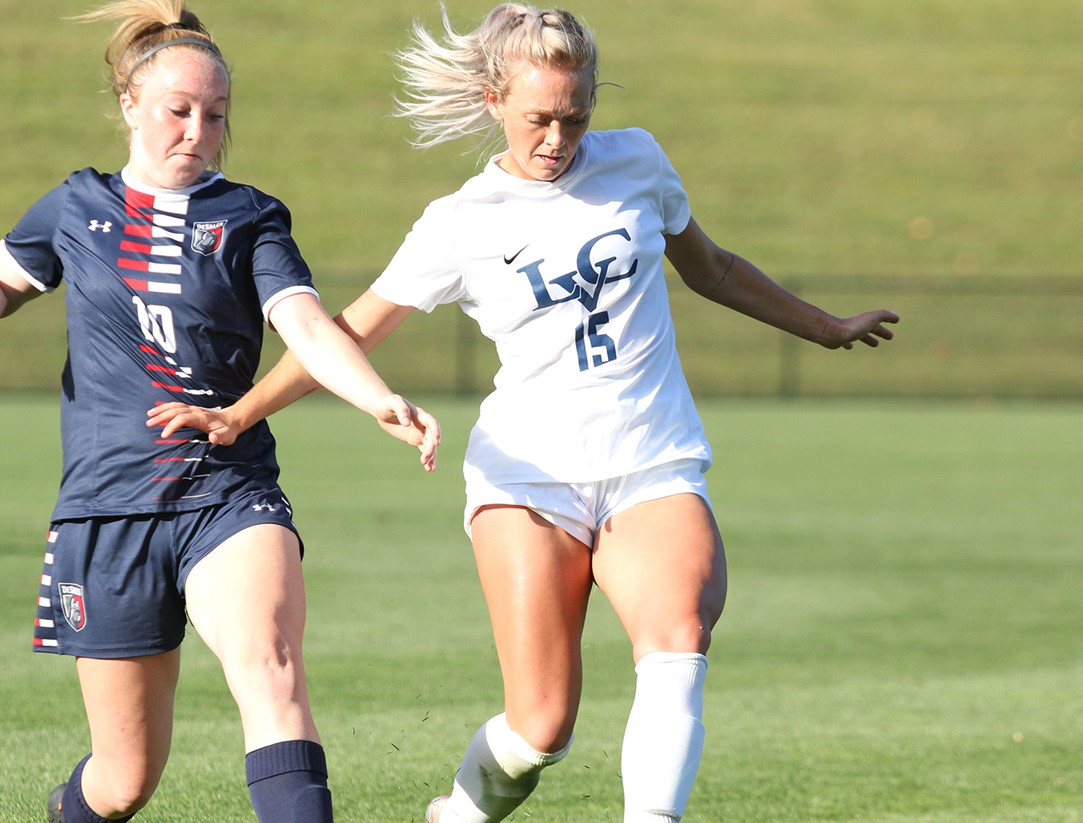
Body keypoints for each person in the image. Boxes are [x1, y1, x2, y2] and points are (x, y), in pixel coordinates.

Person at [164, 4, 900, 822]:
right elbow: (348, 332)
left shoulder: (639, 162)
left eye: (574, 117)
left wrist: (824, 327)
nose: (556, 138)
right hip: (529, 476)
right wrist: (241, 412)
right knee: (539, 727)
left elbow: (714, 269)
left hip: (650, 461)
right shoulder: (461, 223)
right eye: (537, 119)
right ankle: (459, 813)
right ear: (492, 102)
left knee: (677, 636)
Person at [0, 2, 439, 821]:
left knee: (271, 671)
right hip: (105, 507)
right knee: (125, 778)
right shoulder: (77, 205)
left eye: (215, 116)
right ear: (131, 105)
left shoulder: (250, 218)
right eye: (179, 110)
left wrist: (375, 396)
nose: (196, 130)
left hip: (227, 489)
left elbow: (307, 325)